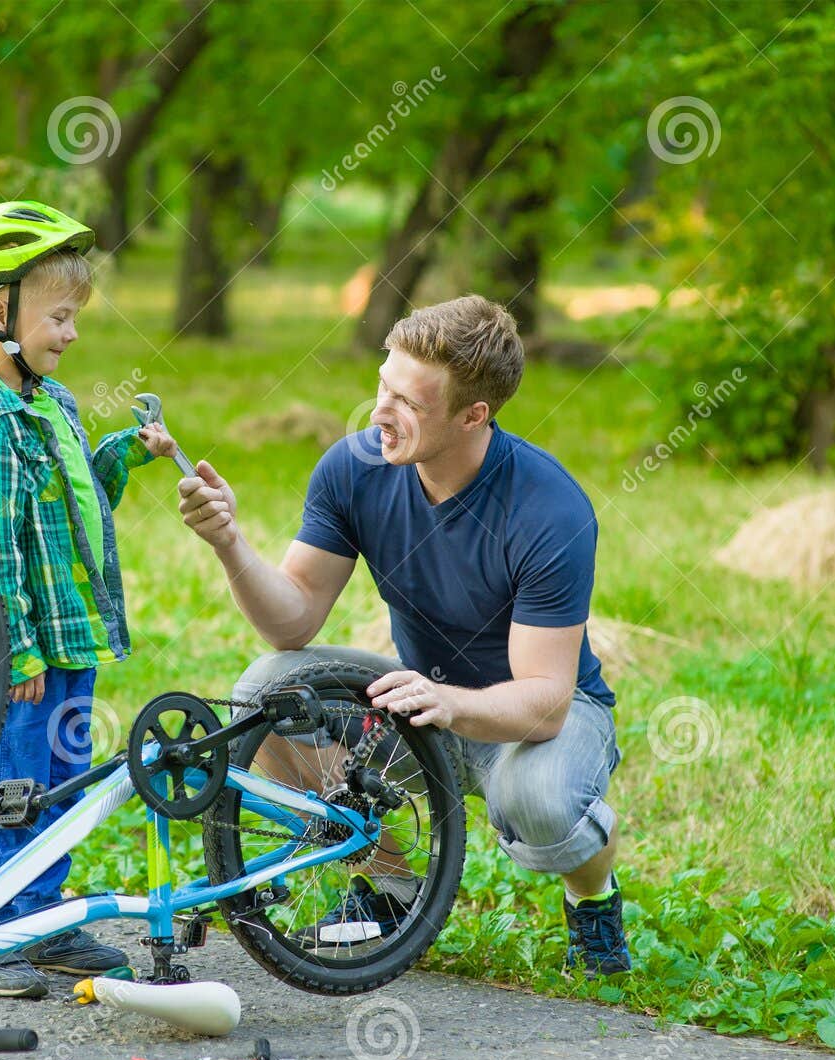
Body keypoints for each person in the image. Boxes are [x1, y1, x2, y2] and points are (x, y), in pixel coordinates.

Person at [175, 295, 629, 974]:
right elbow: (292, 620)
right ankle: (390, 888)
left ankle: (592, 899)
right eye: (383, 387)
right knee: (267, 695)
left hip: (530, 720)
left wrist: (455, 706)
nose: (380, 413)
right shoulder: (354, 469)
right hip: (421, 704)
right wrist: (230, 543)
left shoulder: (548, 509)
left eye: (408, 403)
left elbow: (545, 701)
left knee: (535, 801)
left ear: (474, 415)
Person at [0, 200, 179, 998]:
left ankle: (40, 918)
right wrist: (12, 652)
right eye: (59, 317)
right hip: (19, 655)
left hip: (65, 644)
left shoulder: (51, 406)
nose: (71, 333)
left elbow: (74, 506)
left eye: (74, 317)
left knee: (59, 784)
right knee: (9, 787)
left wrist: (122, 457)